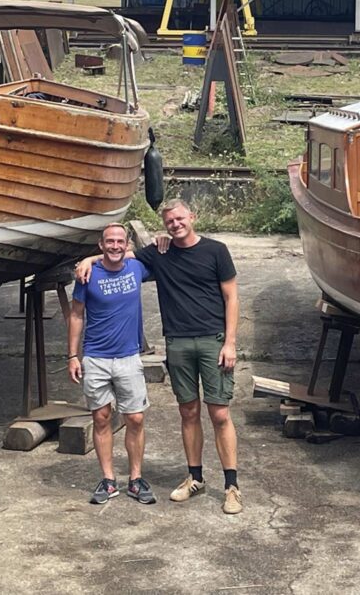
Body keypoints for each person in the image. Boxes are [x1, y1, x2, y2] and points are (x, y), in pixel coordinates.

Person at [77, 200, 243, 515]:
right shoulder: (158, 252)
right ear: (164, 225)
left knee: (220, 414)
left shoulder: (217, 251)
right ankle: (195, 478)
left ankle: (232, 486)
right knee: (188, 412)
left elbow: (231, 296)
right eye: (169, 221)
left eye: (180, 218)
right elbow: (117, 255)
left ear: (192, 217)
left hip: (213, 340)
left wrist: (231, 342)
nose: (175, 224)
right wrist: (89, 258)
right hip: (177, 341)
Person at [67, 223, 155, 505]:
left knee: (135, 418)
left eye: (120, 241)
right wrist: (72, 355)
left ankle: (135, 478)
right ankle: (108, 480)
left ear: (126, 244)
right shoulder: (87, 277)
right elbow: (77, 315)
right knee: (101, 417)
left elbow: (156, 256)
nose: (115, 246)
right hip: (96, 357)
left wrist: (88, 258)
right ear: (101, 244)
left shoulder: (136, 268)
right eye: (109, 242)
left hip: (129, 356)